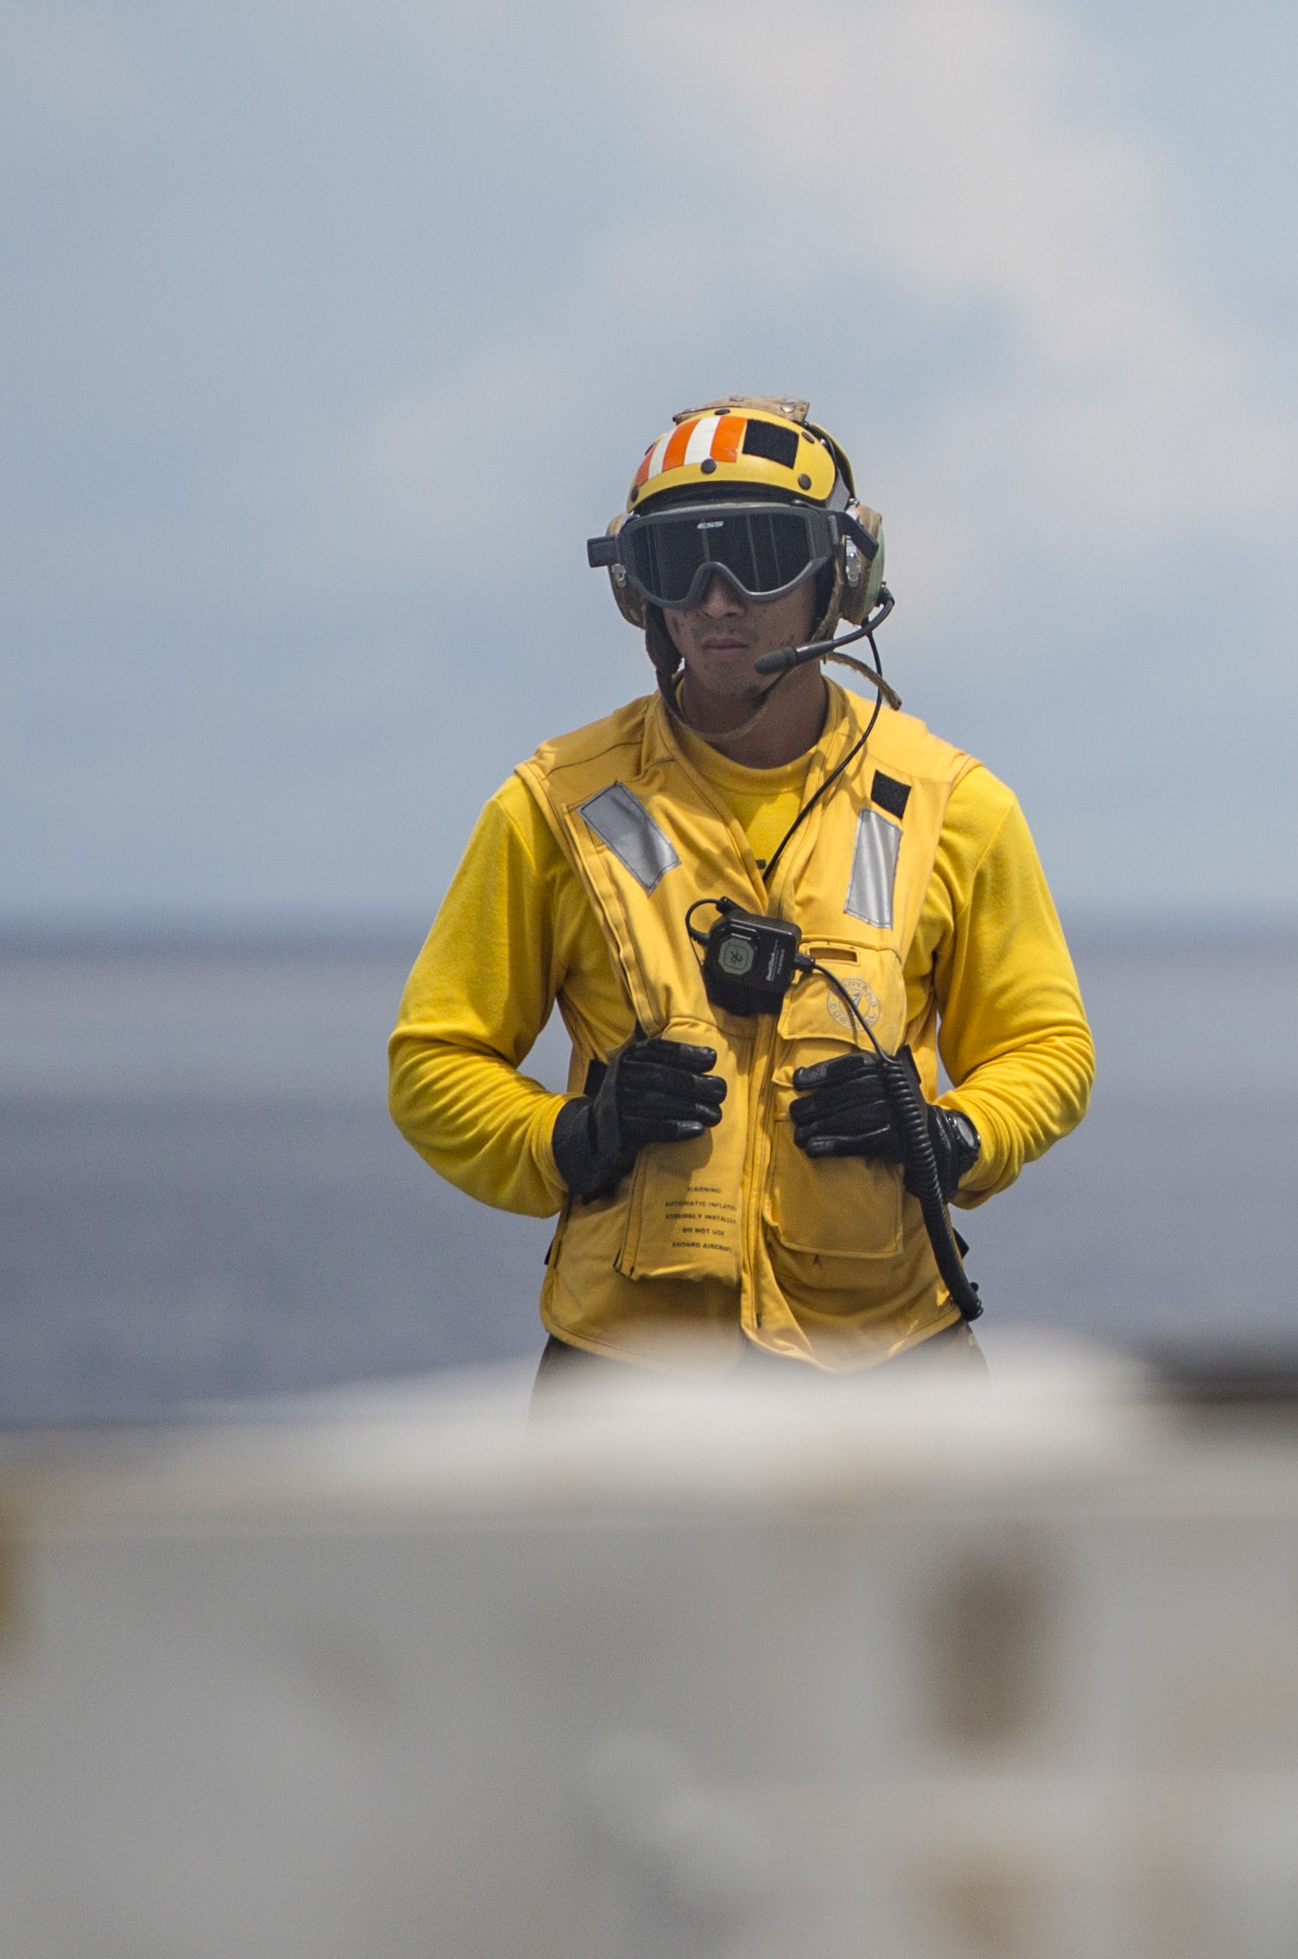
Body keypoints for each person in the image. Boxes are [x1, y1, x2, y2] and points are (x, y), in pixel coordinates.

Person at [388, 397, 1094, 1398]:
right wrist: (571, 1136)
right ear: (644, 592)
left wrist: (951, 1135)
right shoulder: (554, 805)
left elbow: (1047, 1047)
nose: (719, 600)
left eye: (760, 555)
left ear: (836, 578)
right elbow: (433, 1061)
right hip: (629, 1376)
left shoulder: (954, 806)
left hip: (891, 1361)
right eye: (683, 563)